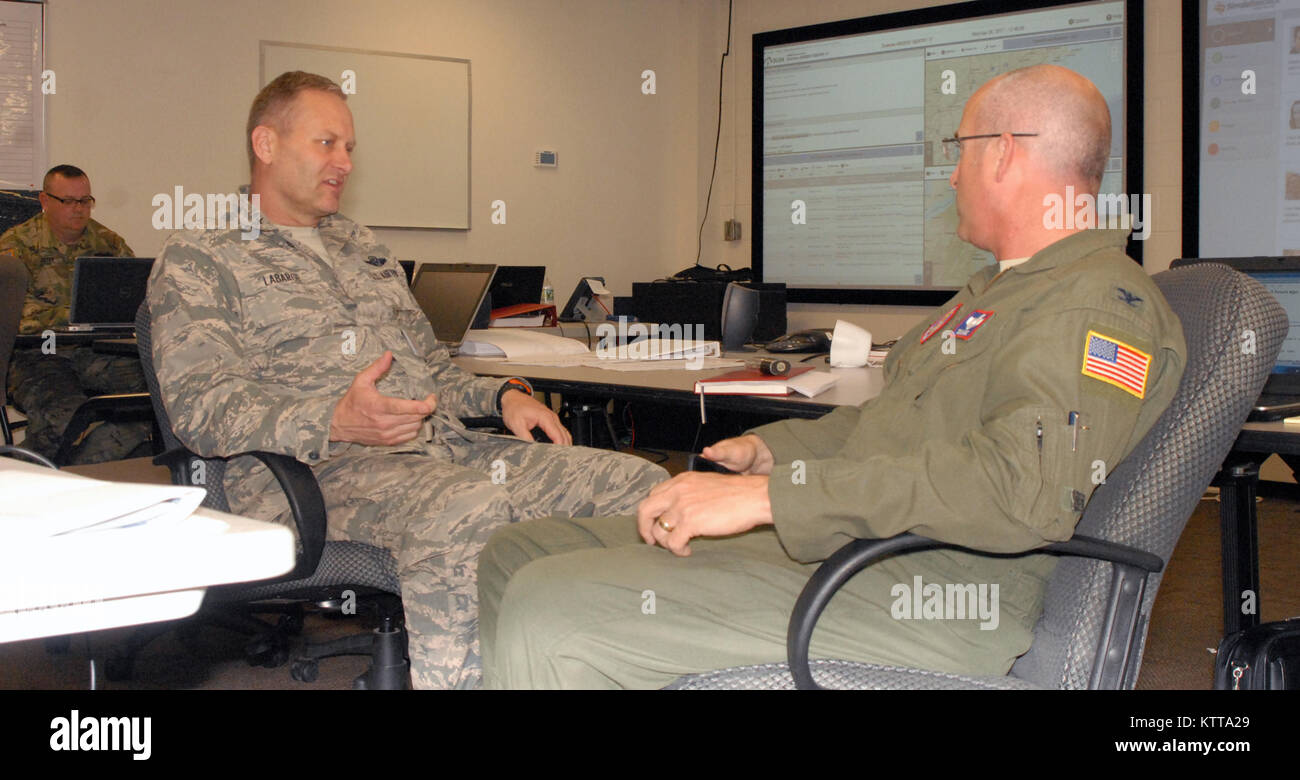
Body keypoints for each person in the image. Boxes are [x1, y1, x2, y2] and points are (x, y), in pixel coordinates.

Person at [477, 65, 1187, 689]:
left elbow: (1020, 490)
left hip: (935, 591)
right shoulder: (996, 293)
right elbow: (887, 428)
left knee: (552, 608)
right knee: (520, 552)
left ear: (1004, 155)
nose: (950, 173)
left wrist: (774, 498)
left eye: (960, 150)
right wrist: (774, 454)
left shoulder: (1094, 305)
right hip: (867, 547)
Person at [146, 71, 666, 689]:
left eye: (350, 149)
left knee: (640, 486)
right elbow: (200, 409)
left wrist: (503, 396)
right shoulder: (202, 257)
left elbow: (433, 373)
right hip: (313, 472)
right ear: (266, 144)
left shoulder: (363, 248)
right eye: (326, 144)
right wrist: (334, 418)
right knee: (466, 511)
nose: (343, 162)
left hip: (446, 450)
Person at [2, 165, 149, 464]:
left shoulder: (108, 243)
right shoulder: (15, 246)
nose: (79, 209)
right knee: (64, 415)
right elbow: (17, 316)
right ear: (45, 201)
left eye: (85, 201)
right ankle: (28, 475)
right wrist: (74, 316)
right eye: (68, 201)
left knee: (155, 397)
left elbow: (135, 298)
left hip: (97, 353)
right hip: (37, 356)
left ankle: (79, 470)